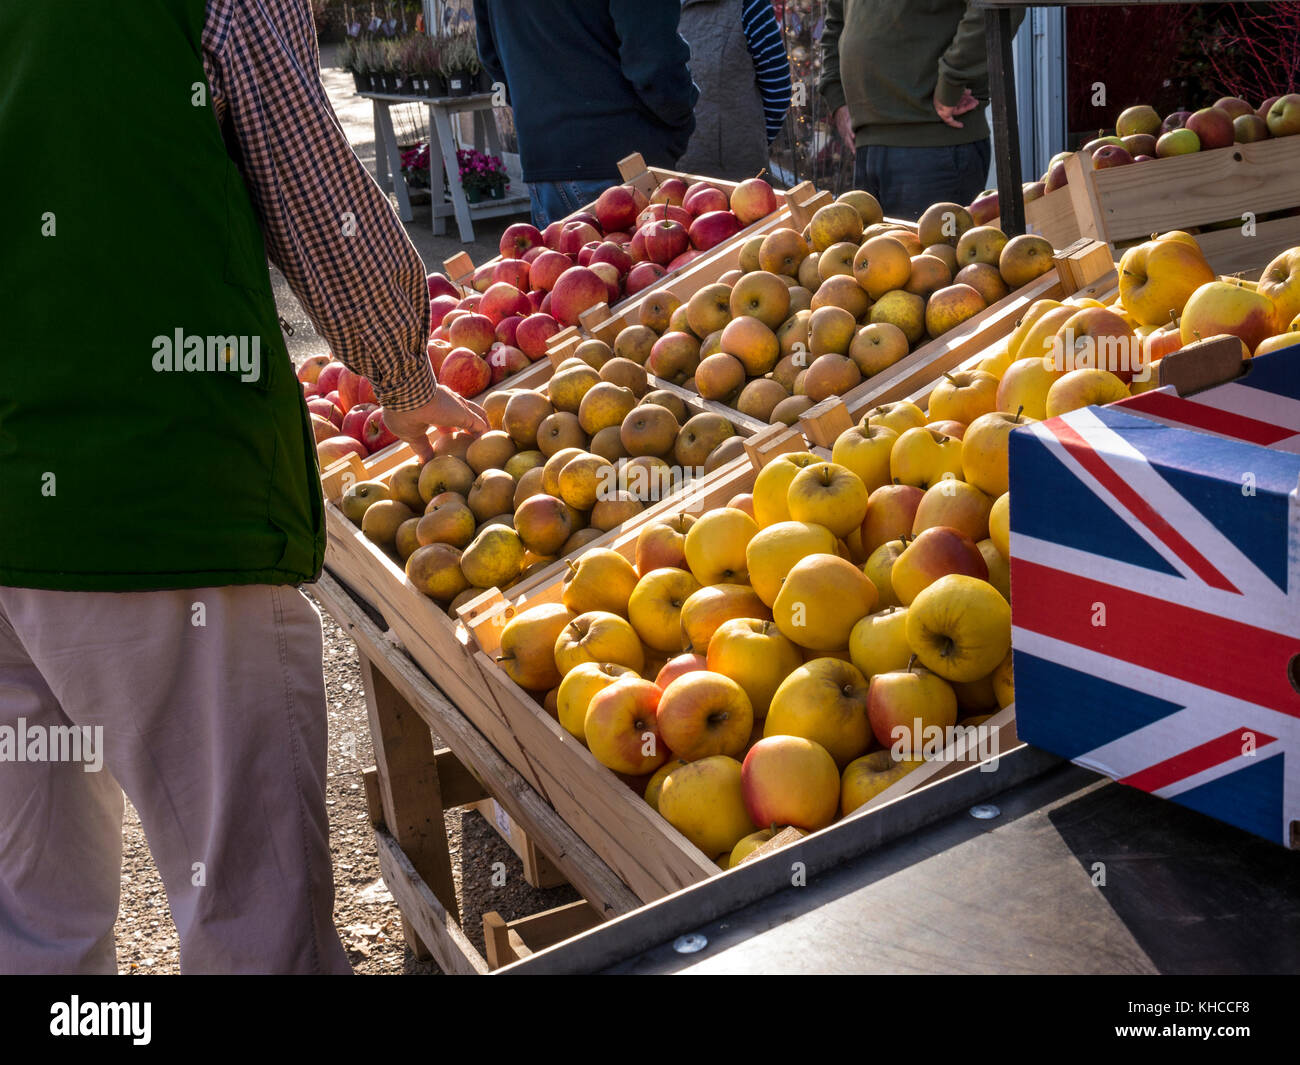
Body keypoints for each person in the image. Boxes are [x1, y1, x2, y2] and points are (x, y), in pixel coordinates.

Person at [0, 0, 485, 974]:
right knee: (253, 913)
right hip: (164, 495)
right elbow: (323, 206)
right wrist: (399, 372)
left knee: (34, 927)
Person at [474, 0, 699, 229]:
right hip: (620, 161)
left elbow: (491, 56)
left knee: (565, 262)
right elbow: (655, 57)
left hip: (546, 163)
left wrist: (536, 114)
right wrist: (680, 119)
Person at [819, 1, 1023, 220]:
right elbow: (835, 18)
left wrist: (953, 79)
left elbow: (1002, 6)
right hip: (868, 145)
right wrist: (836, 97)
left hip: (934, 144)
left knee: (935, 253)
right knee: (881, 254)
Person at [676, 0, 793, 181]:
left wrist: (747, 140)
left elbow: (778, 89)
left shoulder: (748, 5)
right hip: (664, 176)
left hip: (737, 181)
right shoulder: (652, 8)